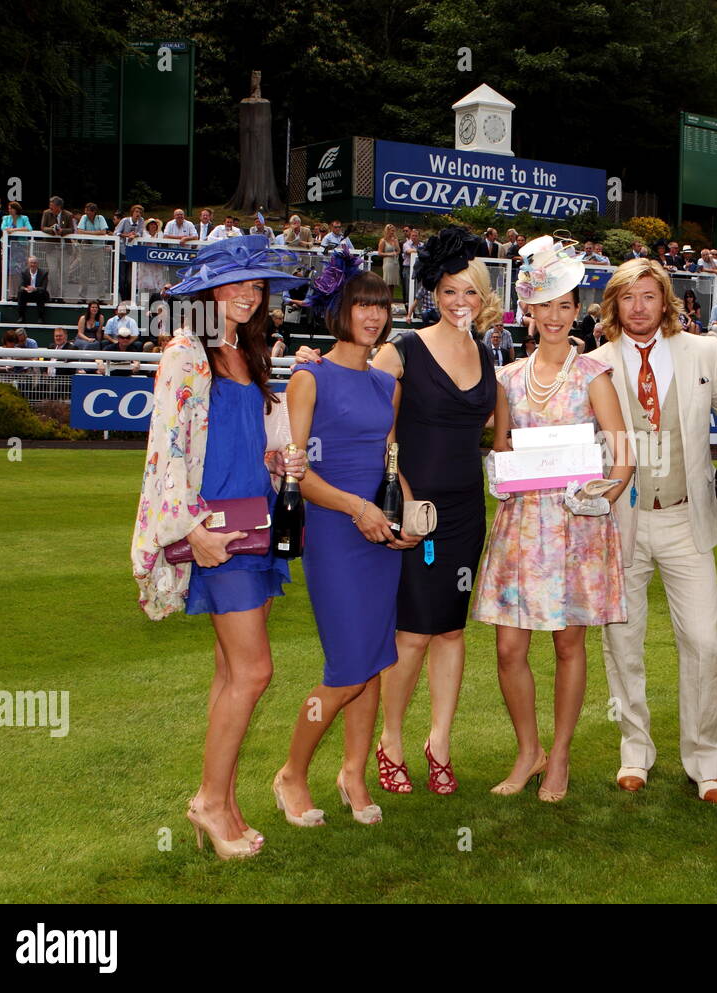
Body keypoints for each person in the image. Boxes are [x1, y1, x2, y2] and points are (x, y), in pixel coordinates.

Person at [300, 228, 496, 796]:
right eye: (450, 291)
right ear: (434, 292)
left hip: (465, 509)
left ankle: (440, 742)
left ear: (484, 299)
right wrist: (405, 501)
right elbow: (365, 410)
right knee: (410, 633)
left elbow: (499, 433)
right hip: (411, 507)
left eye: (471, 293)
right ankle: (390, 742)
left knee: (452, 632)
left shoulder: (487, 354)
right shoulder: (401, 349)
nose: (461, 302)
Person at [130, 235, 308, 860]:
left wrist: (276, 455)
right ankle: (209, 802)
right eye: (233, 284)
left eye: (255, 286)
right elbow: (166, 449)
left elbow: (236, 440)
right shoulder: (186, 351)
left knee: (233, 671)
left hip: (253, 524)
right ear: (205, 292)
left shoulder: (247, 354)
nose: (245, 294)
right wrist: (190, 530)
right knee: (256, 671)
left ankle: (223, 800)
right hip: (215, 531)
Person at [474, 237, 633, 802]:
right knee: (509, 649)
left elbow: (623, 454)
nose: (557, 316)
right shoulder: (508, 377)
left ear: (575, 310)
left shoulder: (594, 372)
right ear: (530, 312)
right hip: (521, 525)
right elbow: (502, 448)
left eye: (567, 304)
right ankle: (529, 751)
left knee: (569, 646)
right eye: (546, 305)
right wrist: (502, 474)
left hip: (575, 526)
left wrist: (600, 497)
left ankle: (559, 755)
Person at [275, 262, 417, 828]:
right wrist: (355, 508)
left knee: (375, 660)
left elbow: (389, 459)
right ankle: (291, 772)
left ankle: (353, 776)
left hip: (380, 537)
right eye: (363, 304)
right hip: (336, 534)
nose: (374, 315)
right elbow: (296, 473)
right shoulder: (310, 378)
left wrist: (408, 513)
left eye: (381, 305)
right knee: (347, 668)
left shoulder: (387, 383)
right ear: (339, 311)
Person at [590, 258, 717, 804]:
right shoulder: (594, 364)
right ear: (614, 305)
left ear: (666, 300)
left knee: (703, 644)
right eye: (628, 298)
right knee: (622, 643)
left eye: (649, 296)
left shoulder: (703, 351)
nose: (639, 308)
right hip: (620, 521)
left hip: (685, 517)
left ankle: (705, 762)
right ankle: (635, 751)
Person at [16, 257, 48, 323]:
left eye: (34, 263)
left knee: (41, 293)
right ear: (28, 264)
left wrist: (35, 289)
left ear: (37, 264)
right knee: (21, 293)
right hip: (27, 293)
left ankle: (40, 317)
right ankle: (21, 316)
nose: (33, 265)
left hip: (37, 293)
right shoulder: (24, 272)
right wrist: (26, 289)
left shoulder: (43, 273)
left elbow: (44, 287)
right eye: (31, 263)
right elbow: (20, 286)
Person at [377, 223, 402, 298]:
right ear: (387, 231)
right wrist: (389, 254)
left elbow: (399, 251)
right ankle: (385, 300)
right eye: (392, 231)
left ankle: (391, 301)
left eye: (394, 231)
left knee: (392, 284)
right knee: (387, 283)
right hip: (388, 262)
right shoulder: (383, 241)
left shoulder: (394, 240)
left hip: (395, 263)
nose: (393, 232)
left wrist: (395, 242)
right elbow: (380, 253)